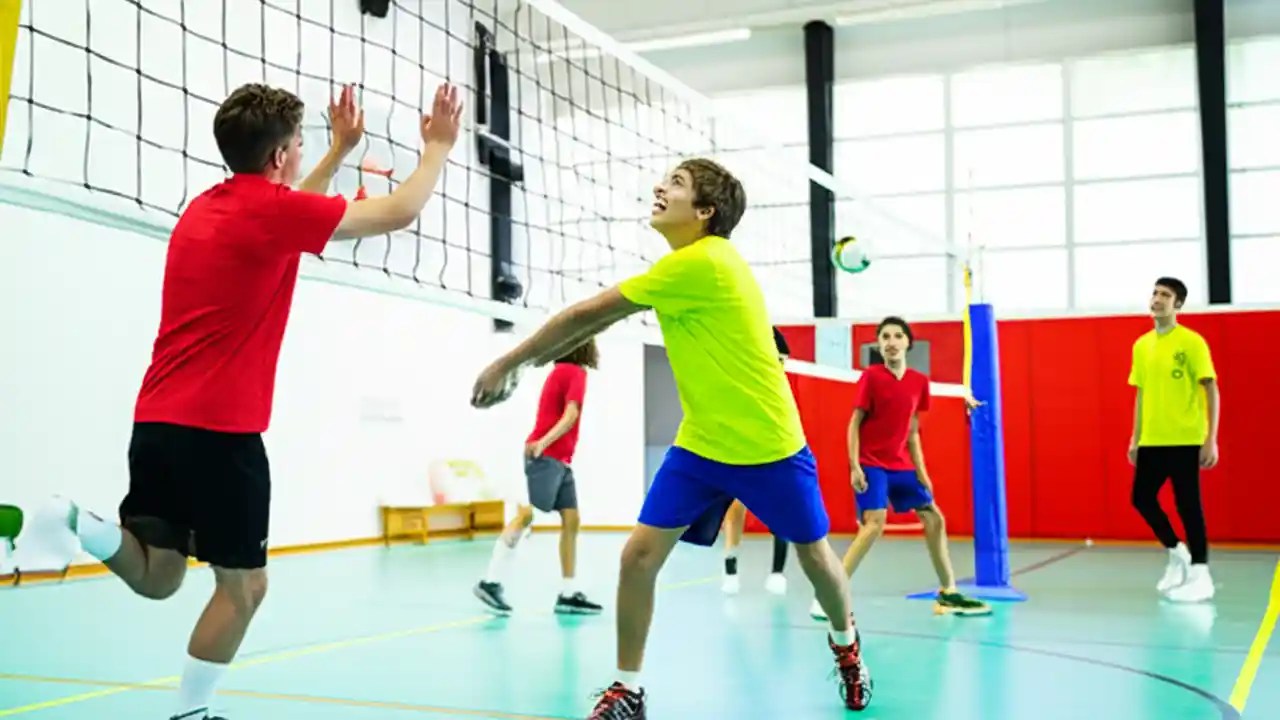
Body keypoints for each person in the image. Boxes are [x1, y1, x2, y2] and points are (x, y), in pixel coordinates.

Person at [12, 82, 463, 720]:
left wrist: (338, 150)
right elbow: (400, 211)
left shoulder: (209, 207)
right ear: (279, 157)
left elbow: (292, 210)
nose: (303, 154)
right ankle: (192, 715)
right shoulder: (273, 213)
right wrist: (438, 145)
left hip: (157, 422)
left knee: (160, 577)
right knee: (245, 586)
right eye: (300, 145)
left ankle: (71, 520)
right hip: (220, 435)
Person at [471, 158, 873, 718]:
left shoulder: (704, 262)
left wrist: (509, 362)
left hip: (770, 447)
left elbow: (587, 314)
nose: (660, 188)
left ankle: (847, 647)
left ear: (704, 212)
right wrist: (527, 362)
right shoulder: (685, 267)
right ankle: (627, 690)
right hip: (701, 446)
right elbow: (593, 324)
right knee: (637, 557)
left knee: (814, 555)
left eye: (676, 184)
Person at [809, 316, 991, 621]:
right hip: (871, 463)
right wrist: (854, 466)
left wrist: (922, 472)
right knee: (874, 524)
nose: (891, 342)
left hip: (900, 464)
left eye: (897, 336)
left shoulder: (919, 383)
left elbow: (913, 432)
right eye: (885, 337)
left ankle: (948, 591)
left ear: (908, 342)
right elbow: (854, 423)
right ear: (879, 345)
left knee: (934, 518)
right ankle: (828, 593)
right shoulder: (871, 377)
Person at [474, 338, 605, 616]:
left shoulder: (560, 371)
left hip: (560, 460)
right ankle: (490, 582)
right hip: (546, 456)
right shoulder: (575, 373)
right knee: (527, 515)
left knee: (571, 519)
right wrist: (544, 444)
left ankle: (568, 593)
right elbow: (570, 415)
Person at [1128, 277, 1219, 603]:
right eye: (1155, 293)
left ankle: (1201, 573)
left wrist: (1211, 439)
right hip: (1153, 439)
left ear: (1177, 304)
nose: (1157, 299)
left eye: (1165, 295)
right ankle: (1177, 552)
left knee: (1188, 504)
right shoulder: (1142, 345)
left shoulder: (1192, 342)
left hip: (1185, 437)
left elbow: (1211, 388)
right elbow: (1141, 395)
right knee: (1141, 499)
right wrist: (1135, 437)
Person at [720, 325, 792, 596]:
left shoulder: (779, 389)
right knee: (735, 507)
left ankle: (777, 572)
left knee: (781, 509)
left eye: (782, 361)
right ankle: (730, 568)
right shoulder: (741, 380)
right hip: (739, 450)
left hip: (774, 452)